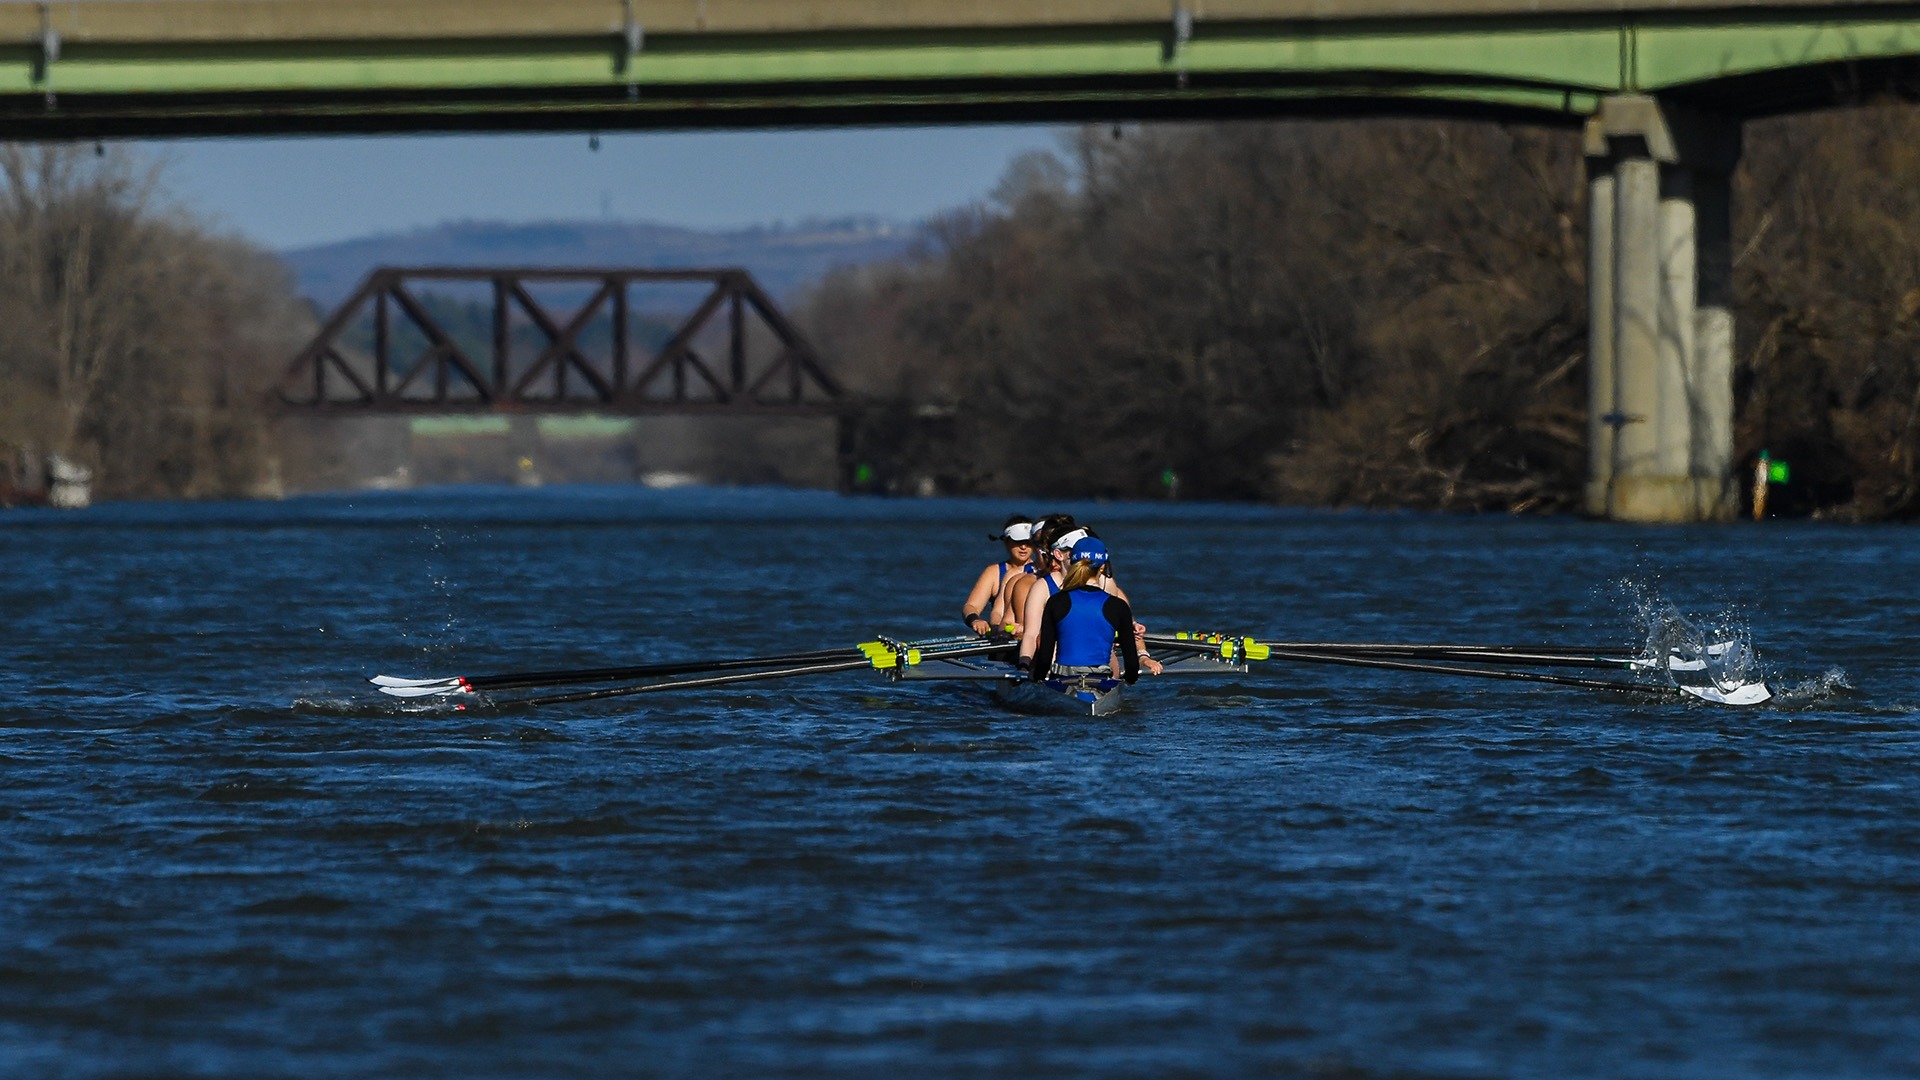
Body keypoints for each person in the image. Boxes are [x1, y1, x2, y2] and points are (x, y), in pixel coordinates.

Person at [1024, 537, 1143, 685]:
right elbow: (1132, 665)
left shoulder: (1056, 602)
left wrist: (1036, 680)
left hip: (1063, 681)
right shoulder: (1118, 606)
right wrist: (1129, 680)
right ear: (1102, 567)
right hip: (1101, 682)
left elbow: (1044, 658)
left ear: (1074, 564)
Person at [962, 515, 1035, 635]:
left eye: (1028, 542)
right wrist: (976, 620)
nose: (1023, 547)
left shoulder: (1041, 572)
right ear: (1006, 541)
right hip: (1003, 634)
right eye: (1018, 541)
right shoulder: (994, 572)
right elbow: (971, 606)